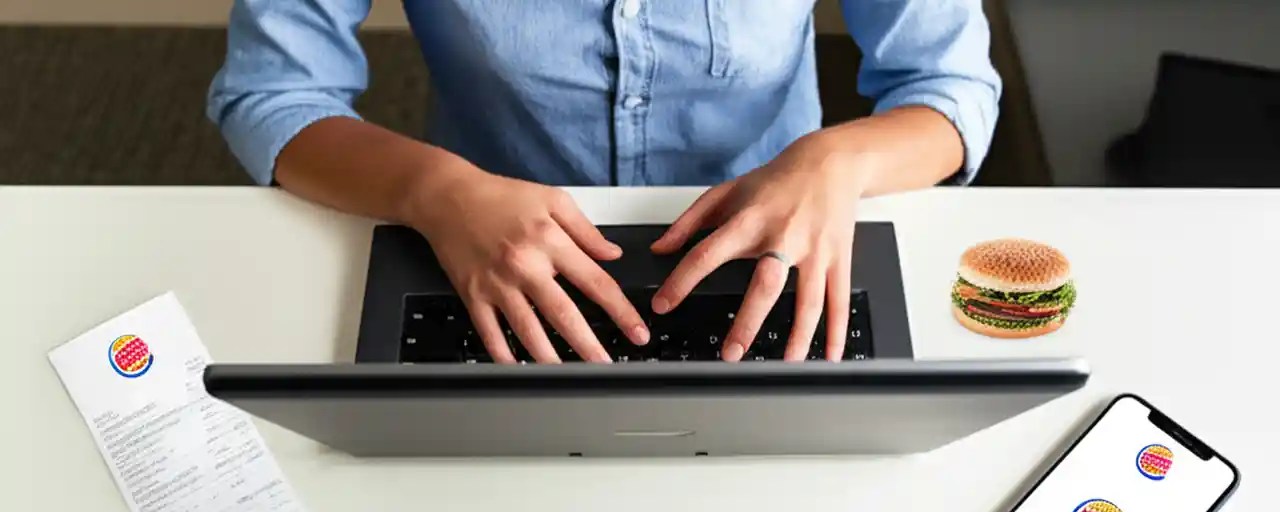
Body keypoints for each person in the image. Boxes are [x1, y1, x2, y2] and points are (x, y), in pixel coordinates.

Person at [208, 1, 1000, 364]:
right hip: (485, 256)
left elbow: (950, 85)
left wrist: (841, 161)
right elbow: (272, 96)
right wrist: (434, 190)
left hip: (780, 257)